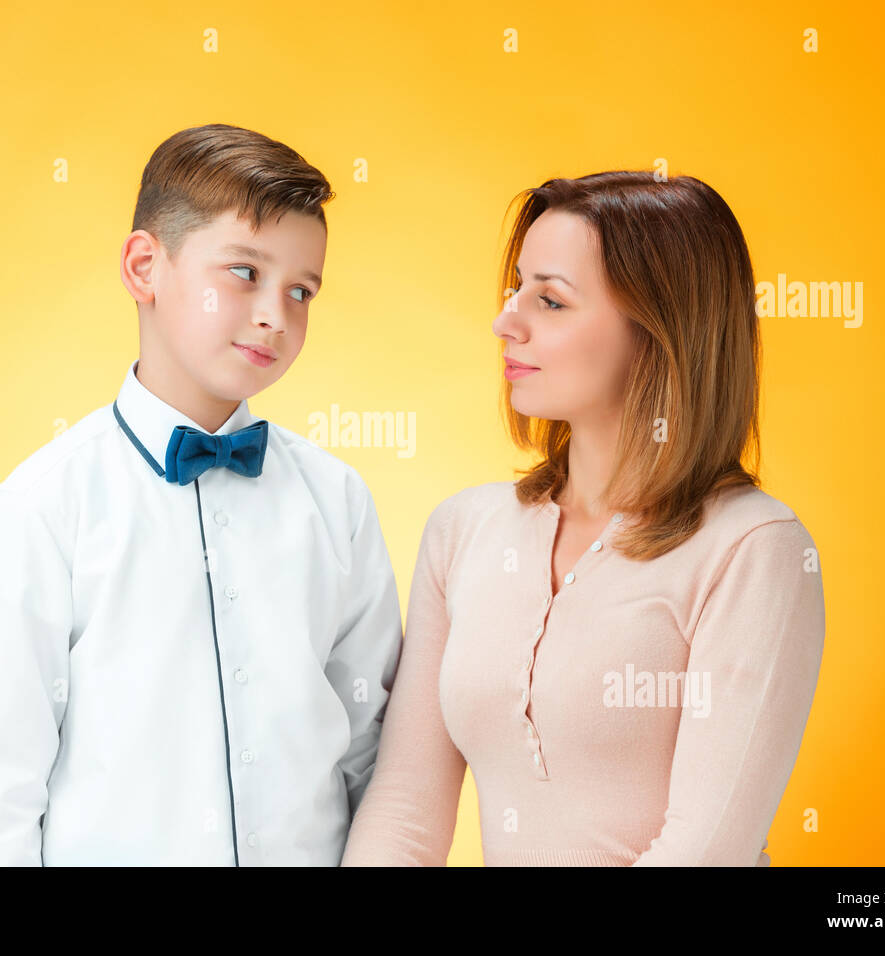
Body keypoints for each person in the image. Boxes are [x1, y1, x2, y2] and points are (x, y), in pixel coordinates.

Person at [0, 123, 402, 865]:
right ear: (144, 266)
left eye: (301, 290)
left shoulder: (337, 501)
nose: (275, 317)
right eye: (244, 273)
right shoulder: (39, 509)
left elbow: (373, 753)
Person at [341, 171, 825, 866]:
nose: (506, 320)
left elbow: (705, 850)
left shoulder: (753, 548)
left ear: (660, 328)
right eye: (516, 289)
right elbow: (405, 811)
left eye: (550, 299)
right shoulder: (463, 531)